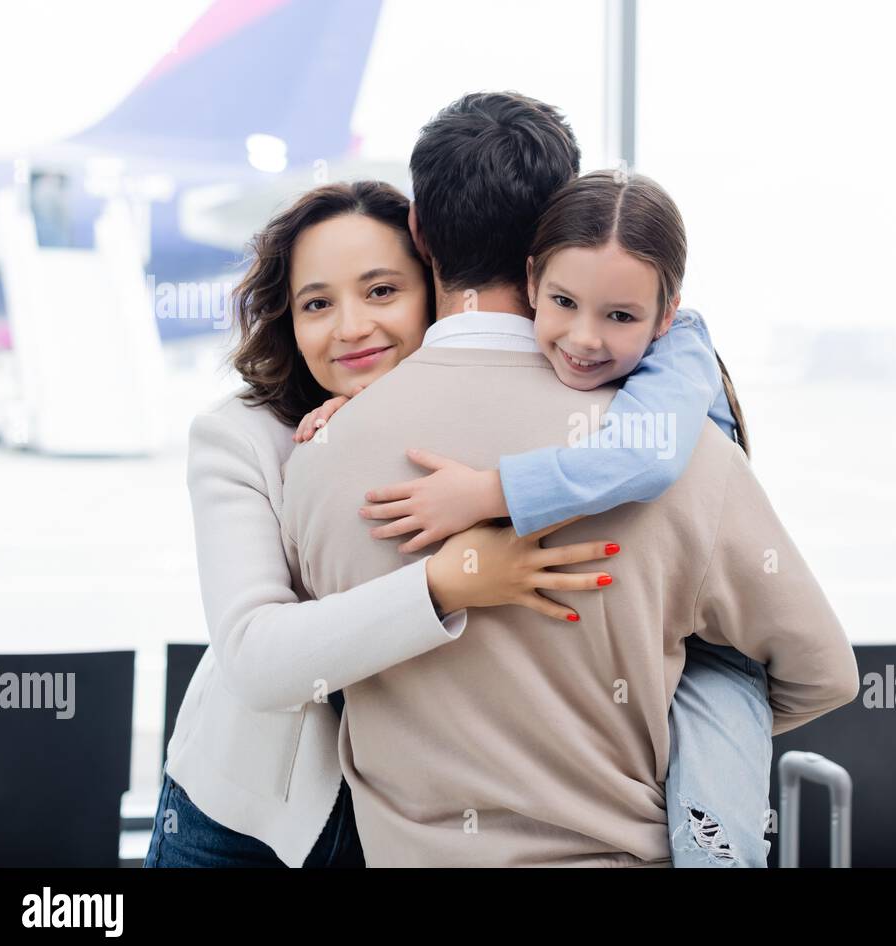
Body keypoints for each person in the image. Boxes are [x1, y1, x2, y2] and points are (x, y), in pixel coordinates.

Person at [281, 92, 860, 866]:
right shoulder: (675, 444)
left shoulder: (320, 456)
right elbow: (821, 671)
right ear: (555, 222)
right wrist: (677, 734)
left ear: (419, 231)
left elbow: (304, 679)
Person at [146, 180, 619, 868]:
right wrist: (445, 583)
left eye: (380, 291)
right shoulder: (242, 437)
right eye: (317, 303)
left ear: (436, 290)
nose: (350, 328)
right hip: (246, 828)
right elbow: (254, 657)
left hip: (415, 823)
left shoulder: (488, 408)